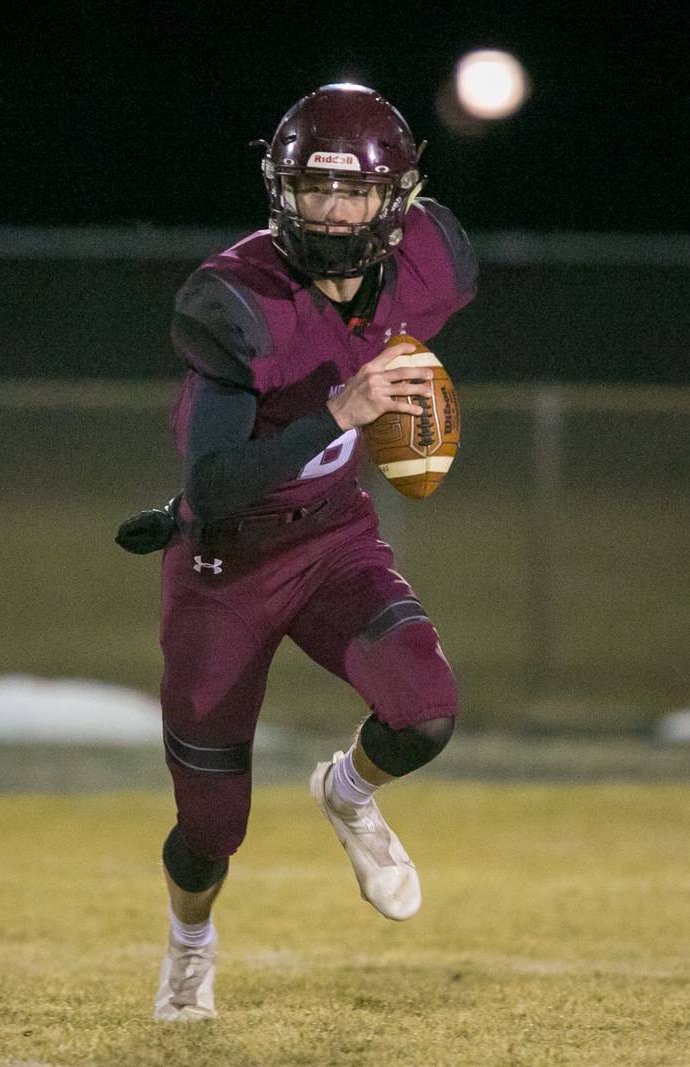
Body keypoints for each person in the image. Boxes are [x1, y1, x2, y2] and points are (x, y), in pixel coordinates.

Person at [126, 83, 477, 1023]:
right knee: (210, 828)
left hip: (331, 538)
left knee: (426, 710)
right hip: (223, 566)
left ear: (396, 202)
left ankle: (349, 792)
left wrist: (412, 407)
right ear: (283, 192)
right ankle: (189, 946)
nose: (332, 210)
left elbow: (399, 340)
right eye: (314, 189)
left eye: (354, 193)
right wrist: (340, 409)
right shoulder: (237, 300)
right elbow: (212, 486)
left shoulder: (428, 266)